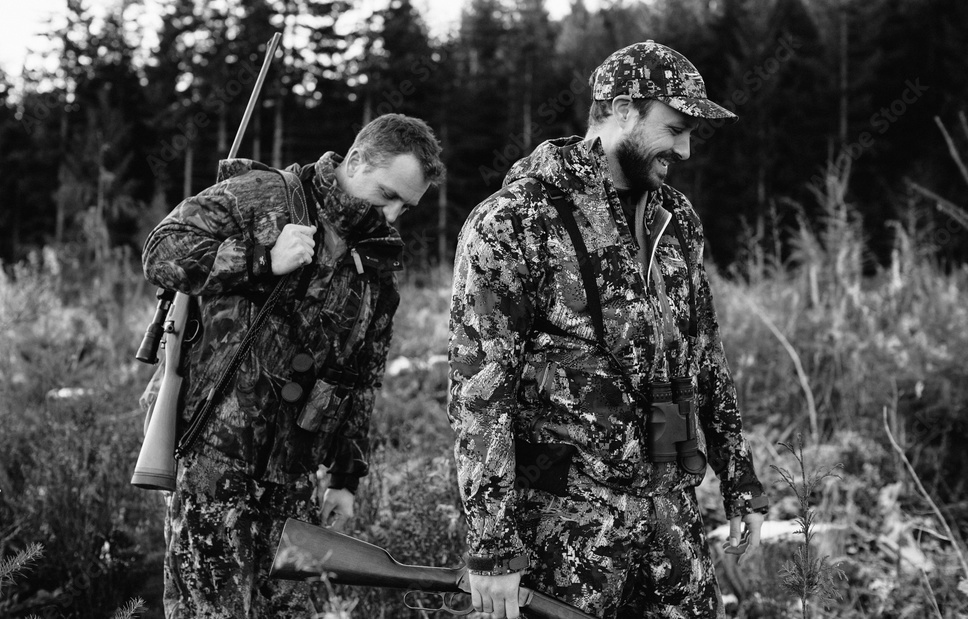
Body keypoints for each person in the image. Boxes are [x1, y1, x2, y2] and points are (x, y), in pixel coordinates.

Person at [448, 41, 768, 619]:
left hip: (671, 518)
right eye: (674, 129)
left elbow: (704, 351)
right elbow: (480, 392)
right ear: (622, 110)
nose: (685, 150)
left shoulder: (676, 218)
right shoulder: (514, 221)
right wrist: (493, 546)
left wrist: (738, 477)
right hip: (566, 533)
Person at [142, 112, 445, 618]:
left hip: (294, 476)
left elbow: (362, 376)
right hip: (214, 460)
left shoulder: (377, 260)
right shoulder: (265, 195)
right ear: (356, 160)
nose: (392, 216)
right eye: (387, 195)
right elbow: (161, 251)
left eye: (406, 207)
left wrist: (345, 477)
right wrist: (261, 259)